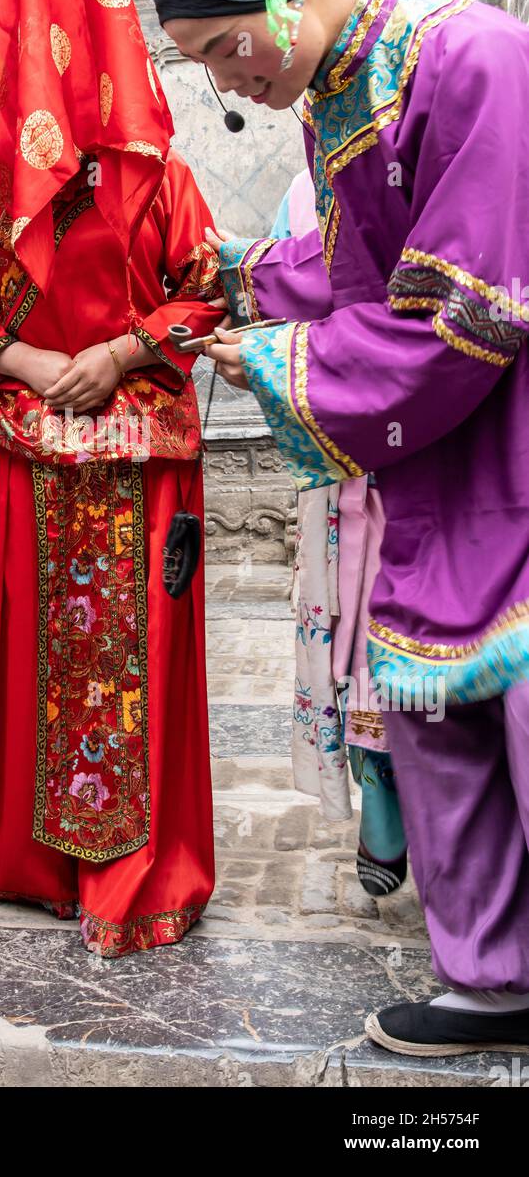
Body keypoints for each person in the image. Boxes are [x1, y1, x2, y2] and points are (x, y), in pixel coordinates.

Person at [153, 0, 529, 1054]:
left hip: (504, 430)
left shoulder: (472, 59)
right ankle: (490, 977)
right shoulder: (336, 94)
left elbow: (469, 306)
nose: (228, 83)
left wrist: (277, 354)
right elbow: (371, 272)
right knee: (426, 695)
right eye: (204, 68)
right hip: (436, 451)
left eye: (224, 50)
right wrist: (252, 283)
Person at [0, 0, 223, 956]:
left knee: (125, 667)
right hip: (19, 451)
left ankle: (123, 872)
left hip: (133, 460)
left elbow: (203, 295)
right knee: (21, 662)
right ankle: (29, 862)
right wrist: (36, 360)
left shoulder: (154, 173)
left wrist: (123, 351)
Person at [271, 171, 408, 896]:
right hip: (338, 453)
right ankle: (378, 777)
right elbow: (276, 315)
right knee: (348, 640)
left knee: (412, 641)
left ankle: (431, 792)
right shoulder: (300, 195)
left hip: (426, 450)